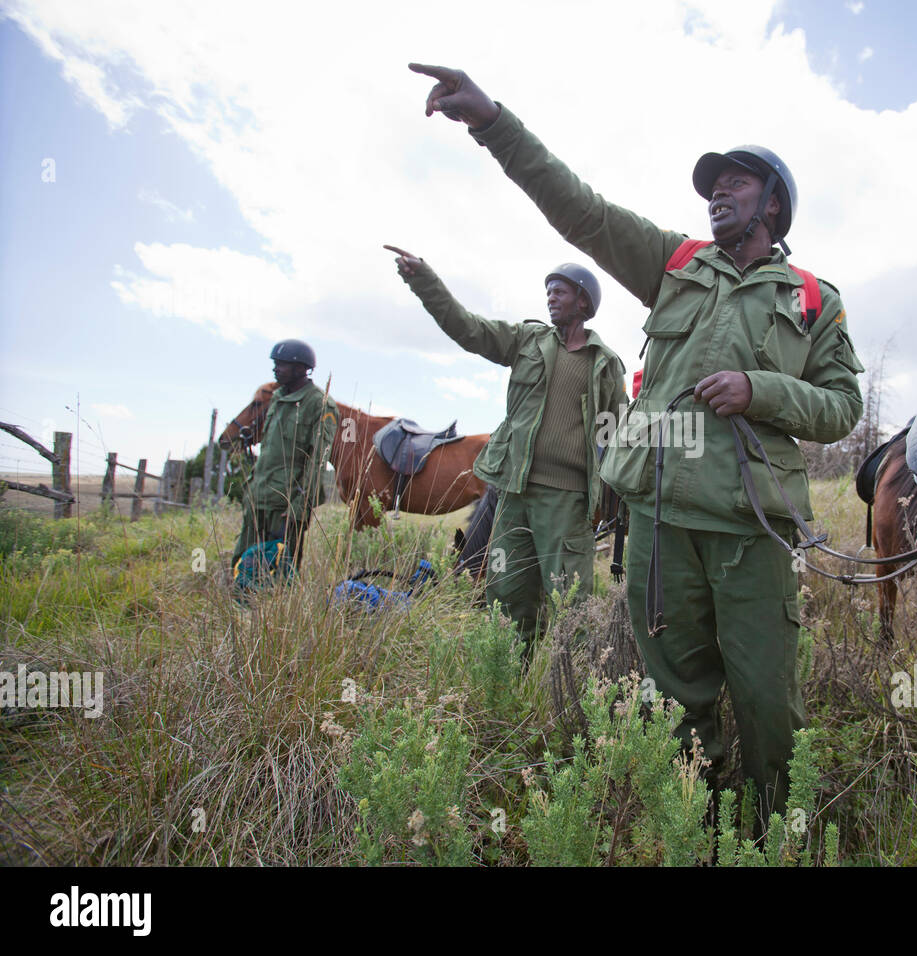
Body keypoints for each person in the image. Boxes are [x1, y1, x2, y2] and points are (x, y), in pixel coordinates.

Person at [408, 65, 865, 820]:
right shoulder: (675, 262)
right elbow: (579, 210)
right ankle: (695, 826)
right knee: (673, 699)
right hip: (657, 522)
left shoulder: (812, 299)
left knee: (766, 699)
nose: (717, 192)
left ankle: (770, 834)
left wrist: (764, 391)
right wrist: (492, 122)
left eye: (736, 182)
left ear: (773, 203)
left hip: (751, 528)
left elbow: (844, 405)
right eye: (711, 184)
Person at [384, 247, 626, 645]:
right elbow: (467, 328)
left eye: (561, 291)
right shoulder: (526, 340)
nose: (550, 296)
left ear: (584, 301)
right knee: (507, 590)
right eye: (548, 290)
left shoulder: (605, 364)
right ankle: (513, 677)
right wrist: (424, 281)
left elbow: (614, 433)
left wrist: (618, 499)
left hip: (566, 500)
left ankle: (579, 686)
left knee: (571, 600)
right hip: (514, 492)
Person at [232, 339, 339, 576]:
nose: (275, 369)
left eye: (282, 364)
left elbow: (317, 462)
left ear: (301, 368)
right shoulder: (277, 398)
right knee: (242, 562)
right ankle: (239, 606)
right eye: (275, 363)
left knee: (278, 567)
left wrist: (300, 506)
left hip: (285, 503)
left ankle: (271, 611)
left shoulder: (320, 405)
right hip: (258, 495)